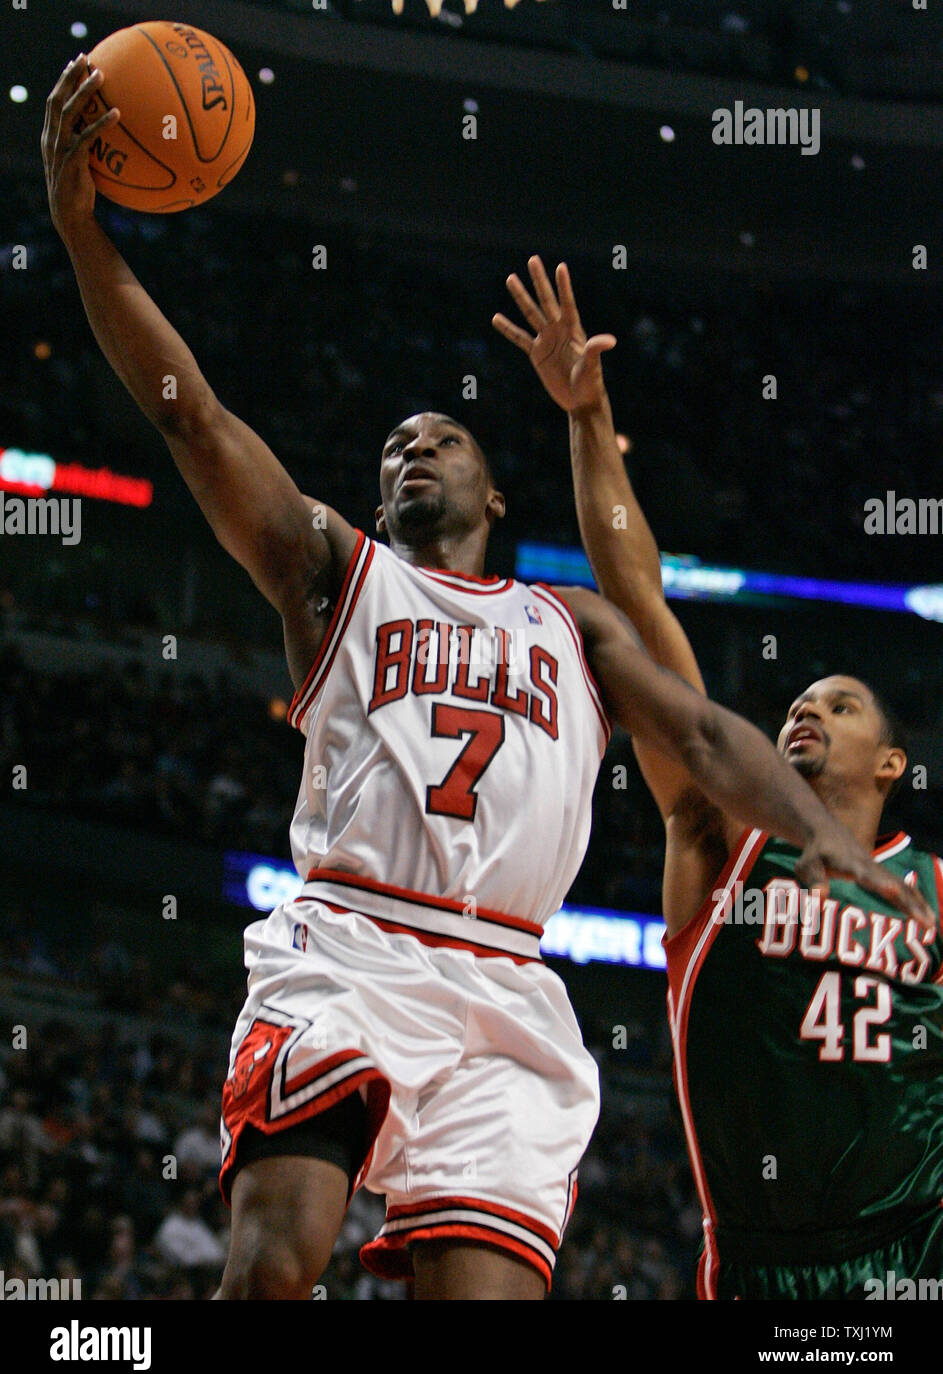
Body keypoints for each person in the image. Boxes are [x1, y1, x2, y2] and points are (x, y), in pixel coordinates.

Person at [43, 58, 930, 1301]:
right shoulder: (333, 573)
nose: (414, 447)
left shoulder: (572, 626)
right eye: (396, 443)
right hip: (352, 943)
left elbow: (702, 729)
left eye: (442, 437)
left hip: (510, 981)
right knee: (275, 1269)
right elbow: (192, 418)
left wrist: (809, 836)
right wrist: (83, 239)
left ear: (493, 494)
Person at [494, 256, 943, 1300]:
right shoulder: (721, 839)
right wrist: (586, 415)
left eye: (837, 704)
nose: (803, 710)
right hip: (760, 1268)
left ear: (890, 762)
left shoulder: (935, 885)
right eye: (798, 700)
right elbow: (636, 595)